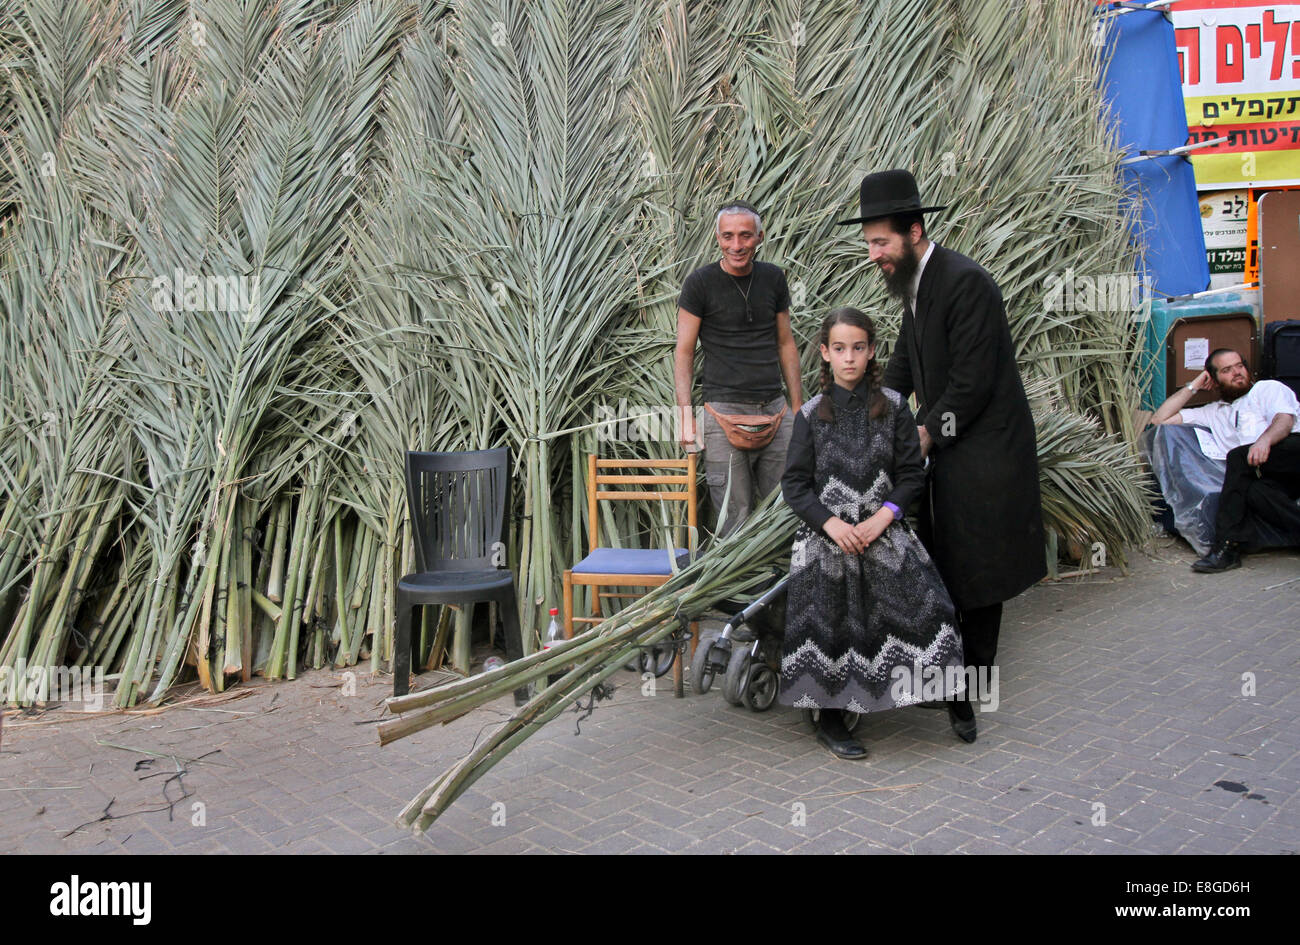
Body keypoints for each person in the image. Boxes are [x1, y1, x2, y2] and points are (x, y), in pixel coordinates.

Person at [839, 169, 1046, 744]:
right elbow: (903, 365)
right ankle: (947, 678)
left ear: (914, 230)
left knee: (976, 569)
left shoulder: (966, 282)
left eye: (882, 243)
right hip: (952, 444)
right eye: (870, 245)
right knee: (940, 557)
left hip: (986, 449)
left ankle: (969, 693)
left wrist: (923, 436)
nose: (875, 255)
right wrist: (863, 417)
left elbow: (973, 384)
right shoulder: (913, 284)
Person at [781, 308, 964, 760]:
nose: (849, 358)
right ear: (824, 353)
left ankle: (945, 695)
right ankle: (829, 718)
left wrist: (884, 517)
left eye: (858, 348)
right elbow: (795, 485)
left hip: (883, 530)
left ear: (871, 351)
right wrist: (830, 523)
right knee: (827, 623)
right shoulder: (810, 415)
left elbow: (909, 475)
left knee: (935, 610)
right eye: (839, 349)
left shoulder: (895, 408)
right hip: (829, 536)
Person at [675, 201, 802, 535]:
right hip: (721, 414)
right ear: (717, 237)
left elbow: (786, 343)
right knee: (734, 519)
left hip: (775, 410)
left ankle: (785, 588)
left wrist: (798, 407)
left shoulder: (773, 278)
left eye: (745, 236)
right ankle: (735, 588)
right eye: (728, 236)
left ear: (759, 237)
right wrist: (686, 417)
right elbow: (684, 353)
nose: (736, 245)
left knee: (785, 510)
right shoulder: (699, 284)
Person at [1150, 347, 1300, 572]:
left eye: (1240, 366)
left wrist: (1264, 441)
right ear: (1215, 380)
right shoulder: (1212, 412)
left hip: (1290, 451)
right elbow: (1159, 420)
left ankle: (1227, 547)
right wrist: (1194, 385)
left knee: (1238, 457)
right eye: (1227, 370)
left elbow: (1284, 420)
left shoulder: (1265, 389)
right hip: (1263, 472)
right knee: (1254, 492)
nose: (1237, 372)